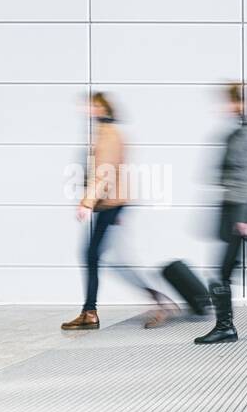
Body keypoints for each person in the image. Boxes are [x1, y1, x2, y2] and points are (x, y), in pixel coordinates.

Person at [61, 92, 176, 331]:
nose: (87, 110)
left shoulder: (109, 135)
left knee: (94, 255)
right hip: (110, 205)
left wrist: (86, 203)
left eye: (92, 106)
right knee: (105, 257)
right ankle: (93, 310)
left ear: (103, 109)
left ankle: (92, 312)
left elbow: (105, 173)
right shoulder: (105, 133)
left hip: (109, 205)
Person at [196, 83, 247, 344]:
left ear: (239, 103)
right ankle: (225, 326)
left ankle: (225, 327)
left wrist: (242, 217)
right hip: (233, 206)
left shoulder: (243, 134)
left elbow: (245, 174)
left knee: (222, 272)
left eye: (229, 101)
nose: (225, 106)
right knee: (226, 270)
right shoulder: (238, 132)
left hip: (238, 207)